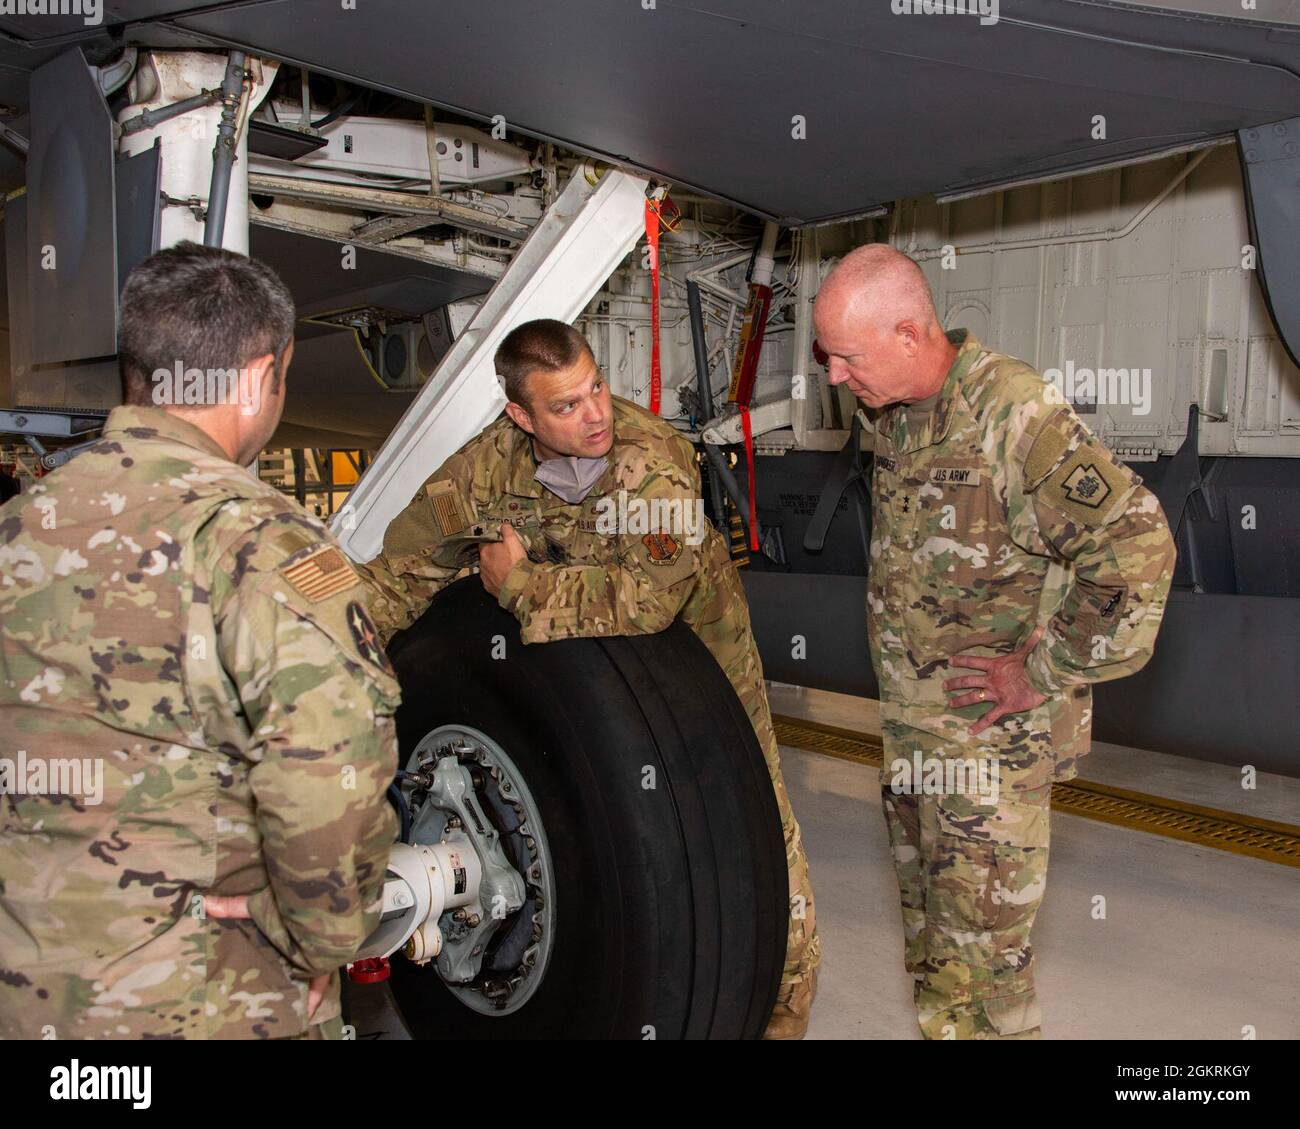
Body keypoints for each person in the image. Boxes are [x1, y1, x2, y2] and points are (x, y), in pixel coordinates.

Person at [357, 318, 821, 1038]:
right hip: (591, 674)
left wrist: (517, 587)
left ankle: (778, 1012)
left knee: (760, 850)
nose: (596, 413)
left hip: (703, 674)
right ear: (521, 415)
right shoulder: (485, 470)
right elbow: (403, 570)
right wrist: (336, 653)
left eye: (596, 387)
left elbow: (649, 601)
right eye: (567, 405)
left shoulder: (651, 465)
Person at [0, 242, 398, 1039]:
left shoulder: (18, 523)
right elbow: (329, 775)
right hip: (201, 1001)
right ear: (259, 378)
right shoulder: (260, 543)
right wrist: (313, 942)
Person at [813, 244, 1176, 1039]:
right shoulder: (893, 413)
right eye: (825, 356)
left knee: (986, 985)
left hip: (988, 751)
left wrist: (1039, 670)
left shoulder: (1014, 413)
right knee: (938, 962)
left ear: (910, 333)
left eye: (846, 357)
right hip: (914, 741)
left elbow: (1137, 548)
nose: (835, 378)